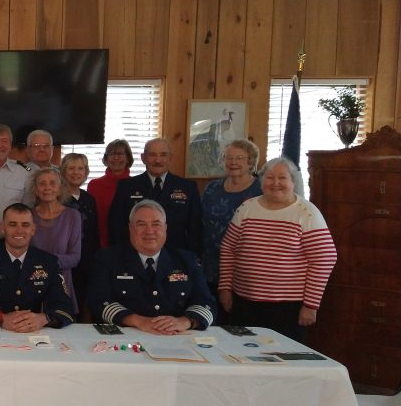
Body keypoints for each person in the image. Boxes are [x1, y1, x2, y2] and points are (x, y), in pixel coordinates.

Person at [218, 157, 337, 344]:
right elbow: (228, 248)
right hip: (244, 303)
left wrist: (310, 305)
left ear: (293, 182)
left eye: (282, 178)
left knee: (282, 359)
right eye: (269, 177)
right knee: (242, 354)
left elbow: (324, 259)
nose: (275, 183)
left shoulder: (307, 213)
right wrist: (225, 288)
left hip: (288, 309)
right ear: (261, 180)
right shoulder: (247, 208)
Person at [88, 200, 215, 334]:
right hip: (127, 335)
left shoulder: (187, 260)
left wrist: (186, 321)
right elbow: (98, 301)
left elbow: (206, 302)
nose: (149, 231)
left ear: (165, 228)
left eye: (156, 224)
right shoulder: (108, 258)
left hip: (176, 336)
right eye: (141, 224)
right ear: (130, 228)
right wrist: (138, 321)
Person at [0, 203, 75, 332]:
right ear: (3, 228)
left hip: (34, 334)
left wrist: (43, 318)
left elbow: (65, 307)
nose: (19, 231)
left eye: (25, 225)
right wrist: (0, 319)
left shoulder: (48, 262)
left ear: (33, 229)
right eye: (12, 224)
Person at [108, 137, 202, 256]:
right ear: (143, 158)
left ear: (170, 158)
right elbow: (116, 226)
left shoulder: (188, 188)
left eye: (163, 155)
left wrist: (193, 260)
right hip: (135, 257)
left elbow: (196, 230)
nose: (158, 160)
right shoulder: (126, 187)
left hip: (176, 258)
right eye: (152, 155)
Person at [200, 139, 262, 295]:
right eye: (228, 157)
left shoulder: (261, 190)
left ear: (251, 162)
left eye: (240, 158)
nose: (233, 162)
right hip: (211, 262)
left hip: (245, 264)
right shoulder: (212, 188)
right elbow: (199, 221)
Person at [28, 167, 82, 314]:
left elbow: (75, 258)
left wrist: (43, 262)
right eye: (42, 184)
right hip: (32, 285)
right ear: (36, 190)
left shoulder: (73, 216)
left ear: (60, 189)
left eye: (52, 183)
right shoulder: (28, 216)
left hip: (62, 284)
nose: (47, 188)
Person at [60, 152, 99, 319]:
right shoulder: (56, 197)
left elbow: (93, 231)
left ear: (86, 172)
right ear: (63, 171)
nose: (76, 172)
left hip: (86, 258)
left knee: (83, 301)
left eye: (80, 168)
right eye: (71, 168)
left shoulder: (89, 198)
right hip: (64, 257)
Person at [87, 138, 133, 248]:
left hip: (130, 246)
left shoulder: (137, 185)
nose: (116, 157)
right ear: (106, 159)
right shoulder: (94, 185)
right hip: (99, 245)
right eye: (111, 154)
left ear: (128, 158)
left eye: (120, 154)